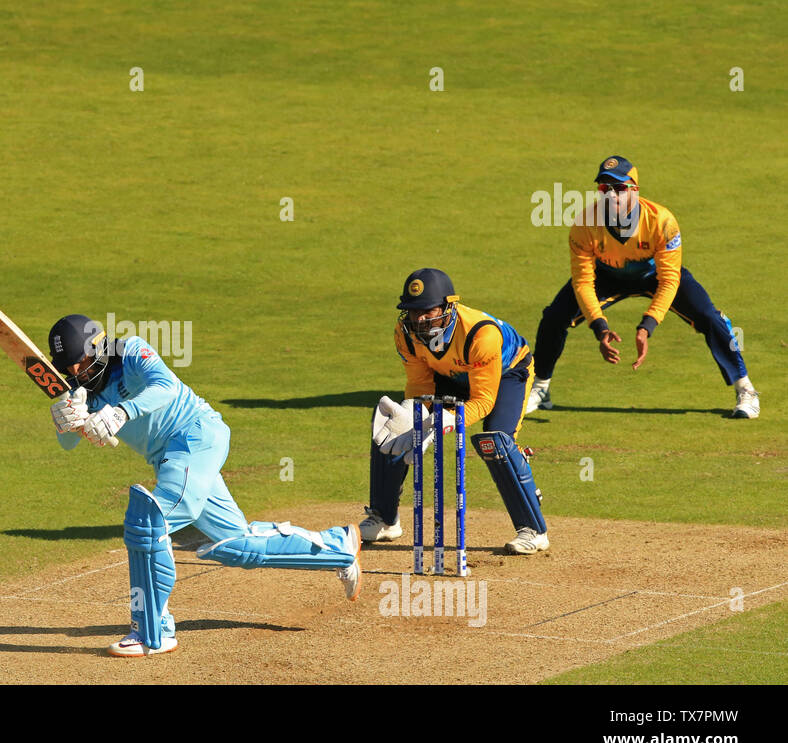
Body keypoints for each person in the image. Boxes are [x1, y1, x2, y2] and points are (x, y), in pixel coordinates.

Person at [46, 314, 361, 657]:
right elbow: (69, 445)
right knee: (237, 546)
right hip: (171, 458)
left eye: (84, 362)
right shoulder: (84, 393)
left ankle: (154, 632)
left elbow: (164, 387)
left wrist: (120, 412)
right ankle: (337, 546)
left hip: (195, 434)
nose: (78, 373)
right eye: (70, 368)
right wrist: (66, 421)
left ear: (100, 347)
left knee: (149, 522)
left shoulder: (132, 350)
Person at [526, 155, 758, 418]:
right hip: (606, 275)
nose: (611, 195)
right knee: (554, 317)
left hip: (655, 274)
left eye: (619, 188)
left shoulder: (662, 221)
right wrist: (599, 326)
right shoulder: (584, 224)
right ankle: (541, 387)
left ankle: (745, 388)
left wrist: (648, 325)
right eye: (604, 188)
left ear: (634, 190)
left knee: (709, 317)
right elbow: (583, 281)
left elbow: (670, 279)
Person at [362, 268, 550, 555]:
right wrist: (414, 417)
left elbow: (484, 401)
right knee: (395, 425)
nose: (419, 319)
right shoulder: (406, 333)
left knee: (495, 440)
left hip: (507, 374)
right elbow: (419, 387)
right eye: (413, 311)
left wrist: (444, 421)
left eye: (427, 311)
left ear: (448, 306)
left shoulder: (480, 334)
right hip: (449, 374)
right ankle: (384, 519)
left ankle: (533, 530)